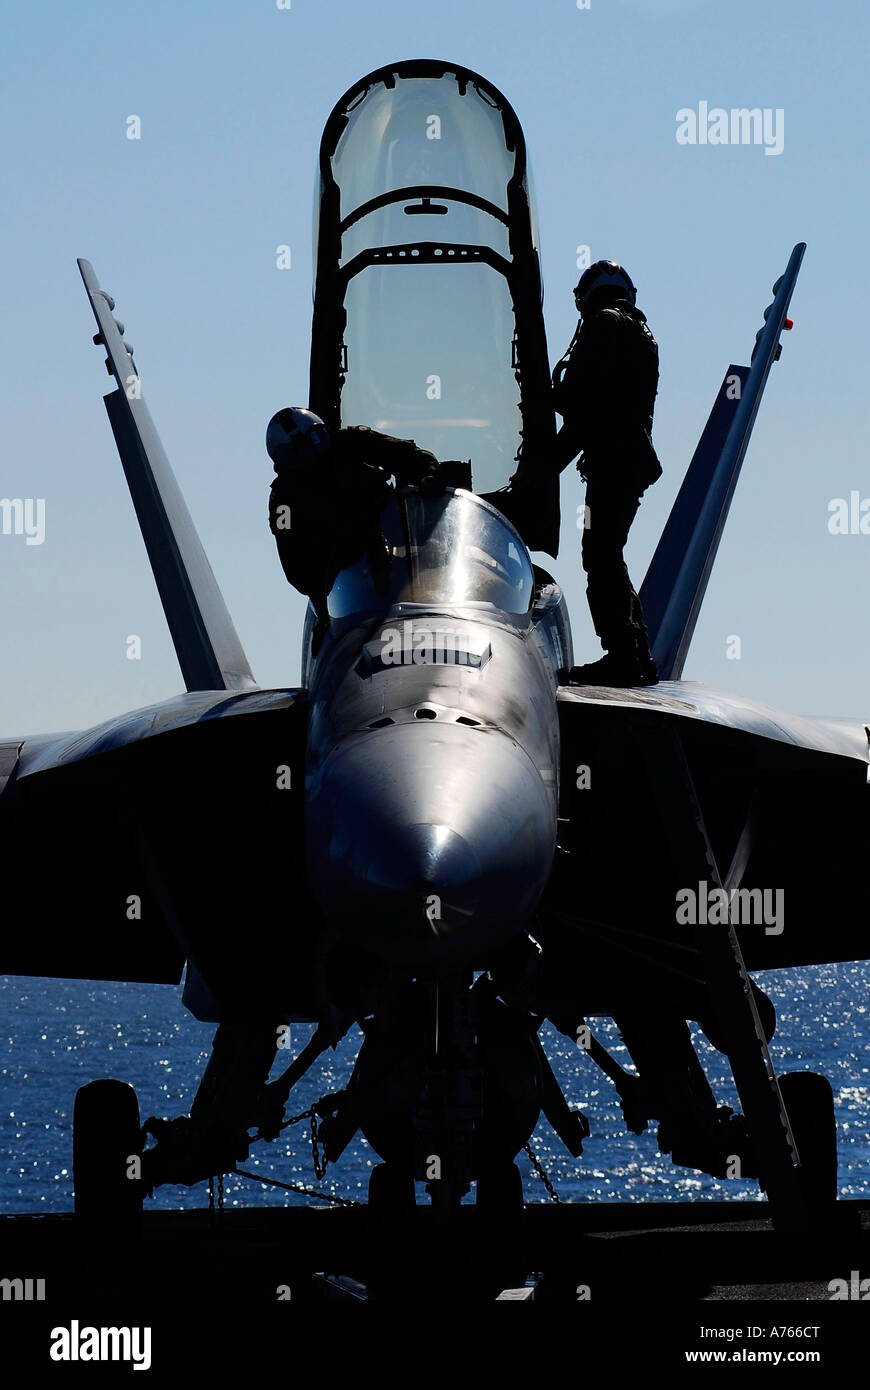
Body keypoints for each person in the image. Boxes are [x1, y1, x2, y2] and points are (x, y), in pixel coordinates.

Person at [551, 261, 662, 686]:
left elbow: (582, 402)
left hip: (612, 461)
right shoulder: (641, 333)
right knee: (608, 554)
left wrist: (543, 465)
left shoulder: (602, 325)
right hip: (629, 462)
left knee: (599, 556)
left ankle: (623, 655)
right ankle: (637, 654)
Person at [266, 407, 451, 653]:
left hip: (406, 558)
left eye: (319, 436)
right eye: (309, 443)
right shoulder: (284, 503)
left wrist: (429, 475)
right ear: (289, 458)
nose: (320, 447)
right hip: (349, 598)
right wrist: (347, 555)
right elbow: (299, 573)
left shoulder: (352, 443)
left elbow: (408, 455)